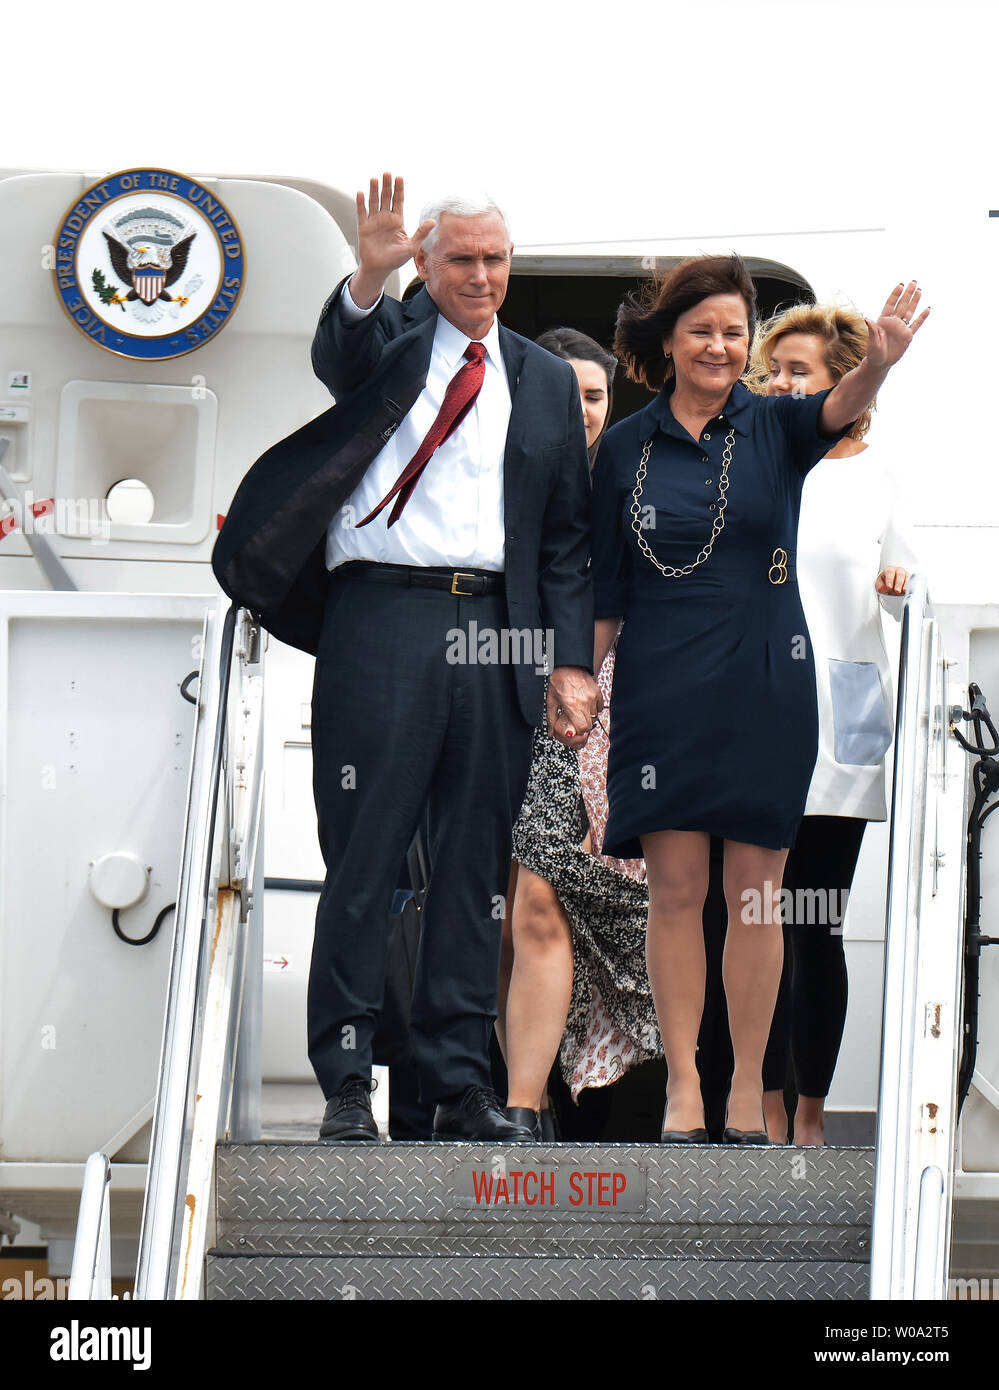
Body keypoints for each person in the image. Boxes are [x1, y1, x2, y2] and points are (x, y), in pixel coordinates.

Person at [213, 173, 601, 1143]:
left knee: (473, 875)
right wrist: (367, 277)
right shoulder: (389, 337)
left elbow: (561, 537)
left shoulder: (544, 380)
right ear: (427, 264)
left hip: (497, 627)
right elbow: (338, 350)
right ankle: (348, 1081)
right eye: (461, 259)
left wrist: (566, 661)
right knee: (367, 857)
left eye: (495, 260)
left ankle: (458, 1084)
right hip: (382, 617)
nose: (481, 276)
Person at [590, 254, 927, 1143]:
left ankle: (746, 1094)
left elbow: (839, 406)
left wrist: (878, 362)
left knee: (755, 897)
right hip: (660, 693)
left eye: (733, 333)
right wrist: (575, 679)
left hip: (765, 687)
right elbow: (604, 590)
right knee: (674, 893)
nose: (718, 345)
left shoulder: (776, 428)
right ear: (667, 340)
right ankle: (684, 1095)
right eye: (700, 329)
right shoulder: (624, 447)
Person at [750, 302, 917, 1145]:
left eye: (797, 371)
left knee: (814, 925)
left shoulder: (878, 480)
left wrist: (897, 585)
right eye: (773, 370)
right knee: (749, 922)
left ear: (845, 379)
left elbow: (915, 590)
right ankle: (762, 1109)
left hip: (838, 734)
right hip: (752, 725)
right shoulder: (759, 462)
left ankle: (808, 1114)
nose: (779, 383)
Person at [497, 329, 658, 1139]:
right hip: (508, 703)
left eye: (592, 393)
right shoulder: (501, 474)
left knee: (567, 900)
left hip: (610, 716)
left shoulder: (636, 476)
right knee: (515, 905)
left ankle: (547, 1103)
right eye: (563, 392)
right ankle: (512, 1101)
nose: (578, 408)